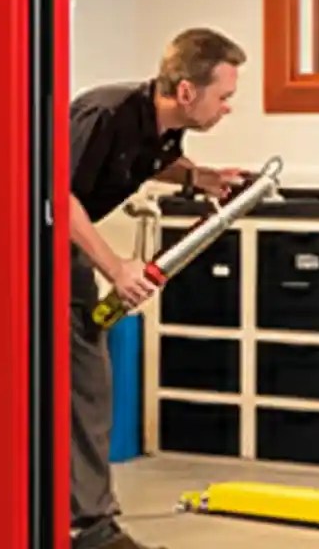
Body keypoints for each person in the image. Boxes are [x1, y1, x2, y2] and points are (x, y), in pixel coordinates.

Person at [68, 27, 248, 549]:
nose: (228, 107)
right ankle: (86, 524)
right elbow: (57, 193)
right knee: (83, 378)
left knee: (87, 380)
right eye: (224, 96)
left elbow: (150, 160)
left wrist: (200, 178)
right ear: (187, 91)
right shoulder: (106, 113)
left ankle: (85, 520)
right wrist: (115, 268)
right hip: (23, 247)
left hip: (60, 246)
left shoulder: (162, 127)